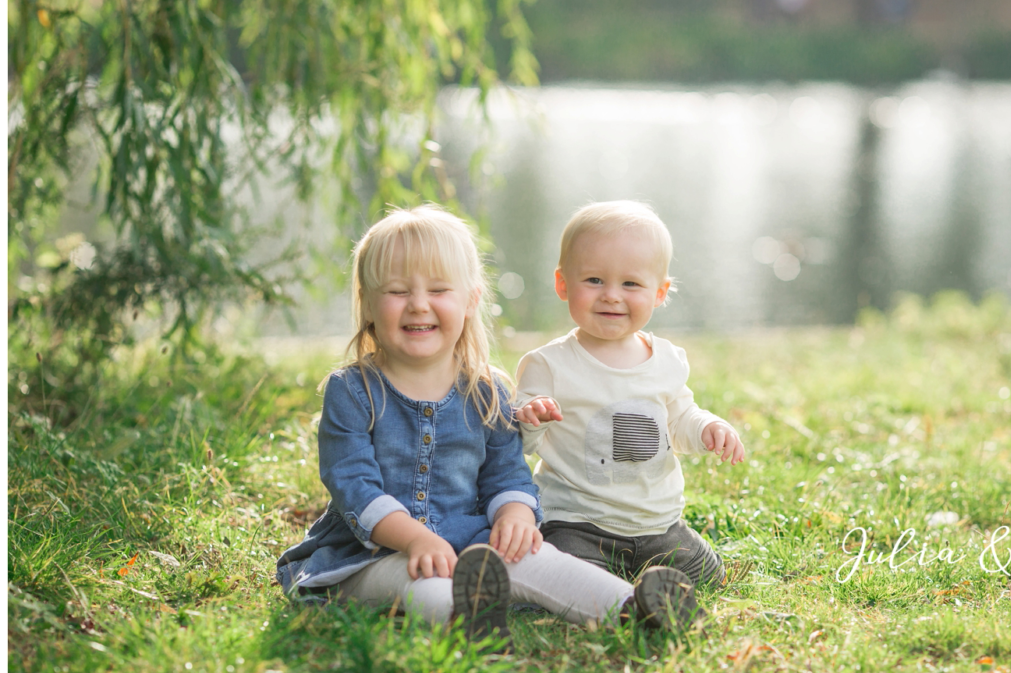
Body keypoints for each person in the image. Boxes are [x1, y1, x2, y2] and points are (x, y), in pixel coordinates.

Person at [276, 204, 700, 647]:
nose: (419, 304)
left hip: (470, 543)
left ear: (471, 299)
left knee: (542, 559)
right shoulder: (353, 391)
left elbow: (506, 471)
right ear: (367, 303)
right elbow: (354, 486)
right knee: (423, 582)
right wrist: (416, 539)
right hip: (374, 555)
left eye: (439, 289)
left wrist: (514, 513)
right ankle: (470, 617)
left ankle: (636, 607)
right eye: (398, 291)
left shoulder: (486, 391)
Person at [514, 200, 746, 589]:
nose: (611, 296)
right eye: (594, 281)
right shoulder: (549, 365)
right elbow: (518, 443)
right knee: (572, 576)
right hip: (577, 522)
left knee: (710, 576)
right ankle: (613, 593)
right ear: (562, 284)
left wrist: (706, 427)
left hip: (657, 523)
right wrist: (530, 416)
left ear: (659, 292)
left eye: (631, 284)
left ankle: (650, 583)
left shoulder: (667, 360)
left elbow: (679, 419)